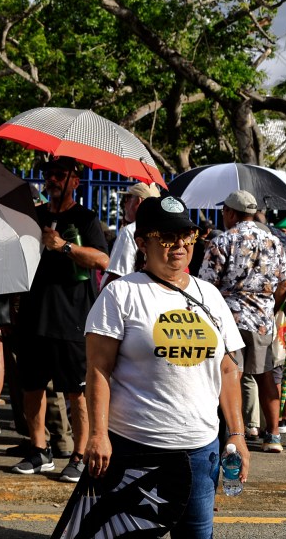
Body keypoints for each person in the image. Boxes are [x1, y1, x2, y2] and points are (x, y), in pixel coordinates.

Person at [85, 196, 247, 539]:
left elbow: (229, 369)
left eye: (186, 236)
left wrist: (236, 435)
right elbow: (98, 368)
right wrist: (98, 434)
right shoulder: (120, 294)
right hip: (134, 449)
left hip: (200, 453)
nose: (179, 245)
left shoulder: (210, 296)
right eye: (167, 237)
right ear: (142, 243)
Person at [10, 157, 108, 482]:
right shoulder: (36, 217)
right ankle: (40, 450)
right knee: (32, 387)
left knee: (76, 392)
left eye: (60, 175)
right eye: (49, 174)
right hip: (35, 317)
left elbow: (101, 259)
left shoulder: (86, 218)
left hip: (73, 318)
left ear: (75, 181)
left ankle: (79, 455)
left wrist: (63, 246)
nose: (52, 179)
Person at [197, 189, 286, 453]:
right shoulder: (274, 242)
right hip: (263, 319)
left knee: (231, 376)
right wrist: (271, 310)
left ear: (230, 212)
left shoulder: (223, 241)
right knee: (265, 376)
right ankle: (273, 435)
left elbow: (205, 285)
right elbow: (284, 282)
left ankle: (230, 432)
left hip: (229, 318)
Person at [103, 182, 161, 286]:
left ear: (138, 201)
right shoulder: (164, 228)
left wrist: (101, 297)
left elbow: (117, 275)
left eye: (128, 198)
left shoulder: (130, 231)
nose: (125, 204)